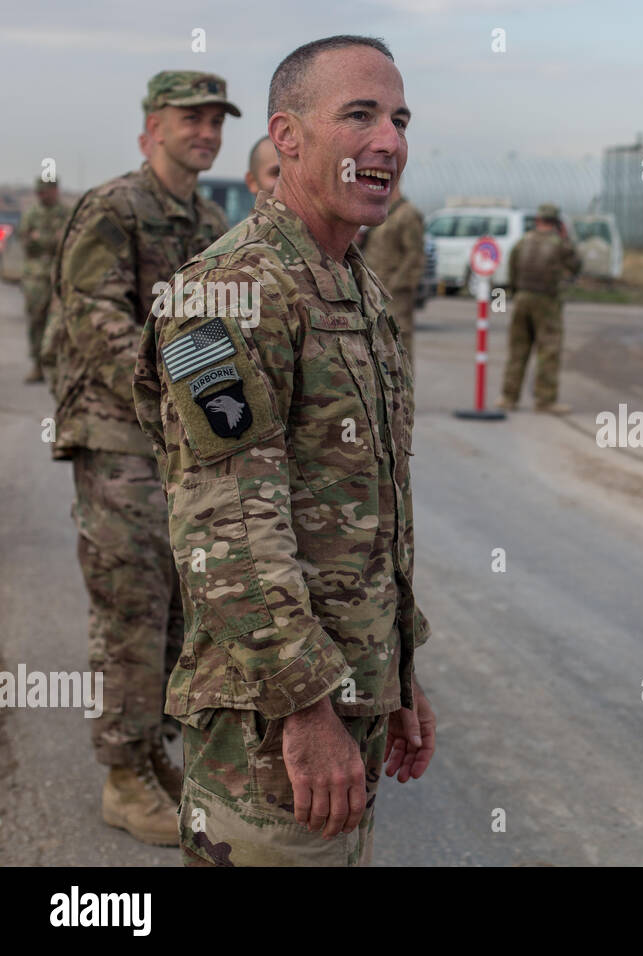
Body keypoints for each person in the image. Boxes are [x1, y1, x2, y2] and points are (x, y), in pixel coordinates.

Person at [134, 34, 434, 867]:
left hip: (354, 695)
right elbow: (225, 534)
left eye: (400, 119)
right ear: (288, 136)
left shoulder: (354, 288)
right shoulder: (230, 291)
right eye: (361, 115)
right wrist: (307, 710)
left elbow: (373, 515)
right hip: (271, 722)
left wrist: (399, 670)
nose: (390, 141)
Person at [40, 71, 237, 846]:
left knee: (179, 614)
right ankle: (123, 777)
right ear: (152, 126)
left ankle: (153, 755)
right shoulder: (114, 208)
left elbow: (220, 320)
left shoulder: (211, 215)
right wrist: (181, 400)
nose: (207, 131)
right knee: (132, 607)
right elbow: (95, 319)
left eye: (216, 119)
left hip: (179, 448)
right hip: (119, 438)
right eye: (192, 118)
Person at [496, 202, 580, 413]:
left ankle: (508, 397)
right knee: (548, 351)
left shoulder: (522, 242)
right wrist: (565, 238)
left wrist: (517, 293)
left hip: (522, 298)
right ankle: (545, 400)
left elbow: (512, 270)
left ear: (537, 220)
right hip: (547, 301)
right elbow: (576, 265)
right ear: (556, 223)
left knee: (518, 350)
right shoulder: (559, 244)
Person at [361, 182, 424, 370]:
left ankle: (405, 399)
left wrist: (396, 286)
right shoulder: (381, 212)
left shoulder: (407, 214)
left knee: (400, 348)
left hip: (395, 295)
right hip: (373, 292)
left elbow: (415, 255)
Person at [17, 177, 69, 383]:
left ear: (55, 190)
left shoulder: (66, 214)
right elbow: (26, 241)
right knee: (36, 320)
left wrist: (44, 240)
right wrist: (49, 240)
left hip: (59, 276)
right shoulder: (32, 214)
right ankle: (37, 364)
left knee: (60, 322)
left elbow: (69, 241)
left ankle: (58, 365)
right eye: (39, 192)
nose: (42, 195)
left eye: (45, 191)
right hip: (36, 277)